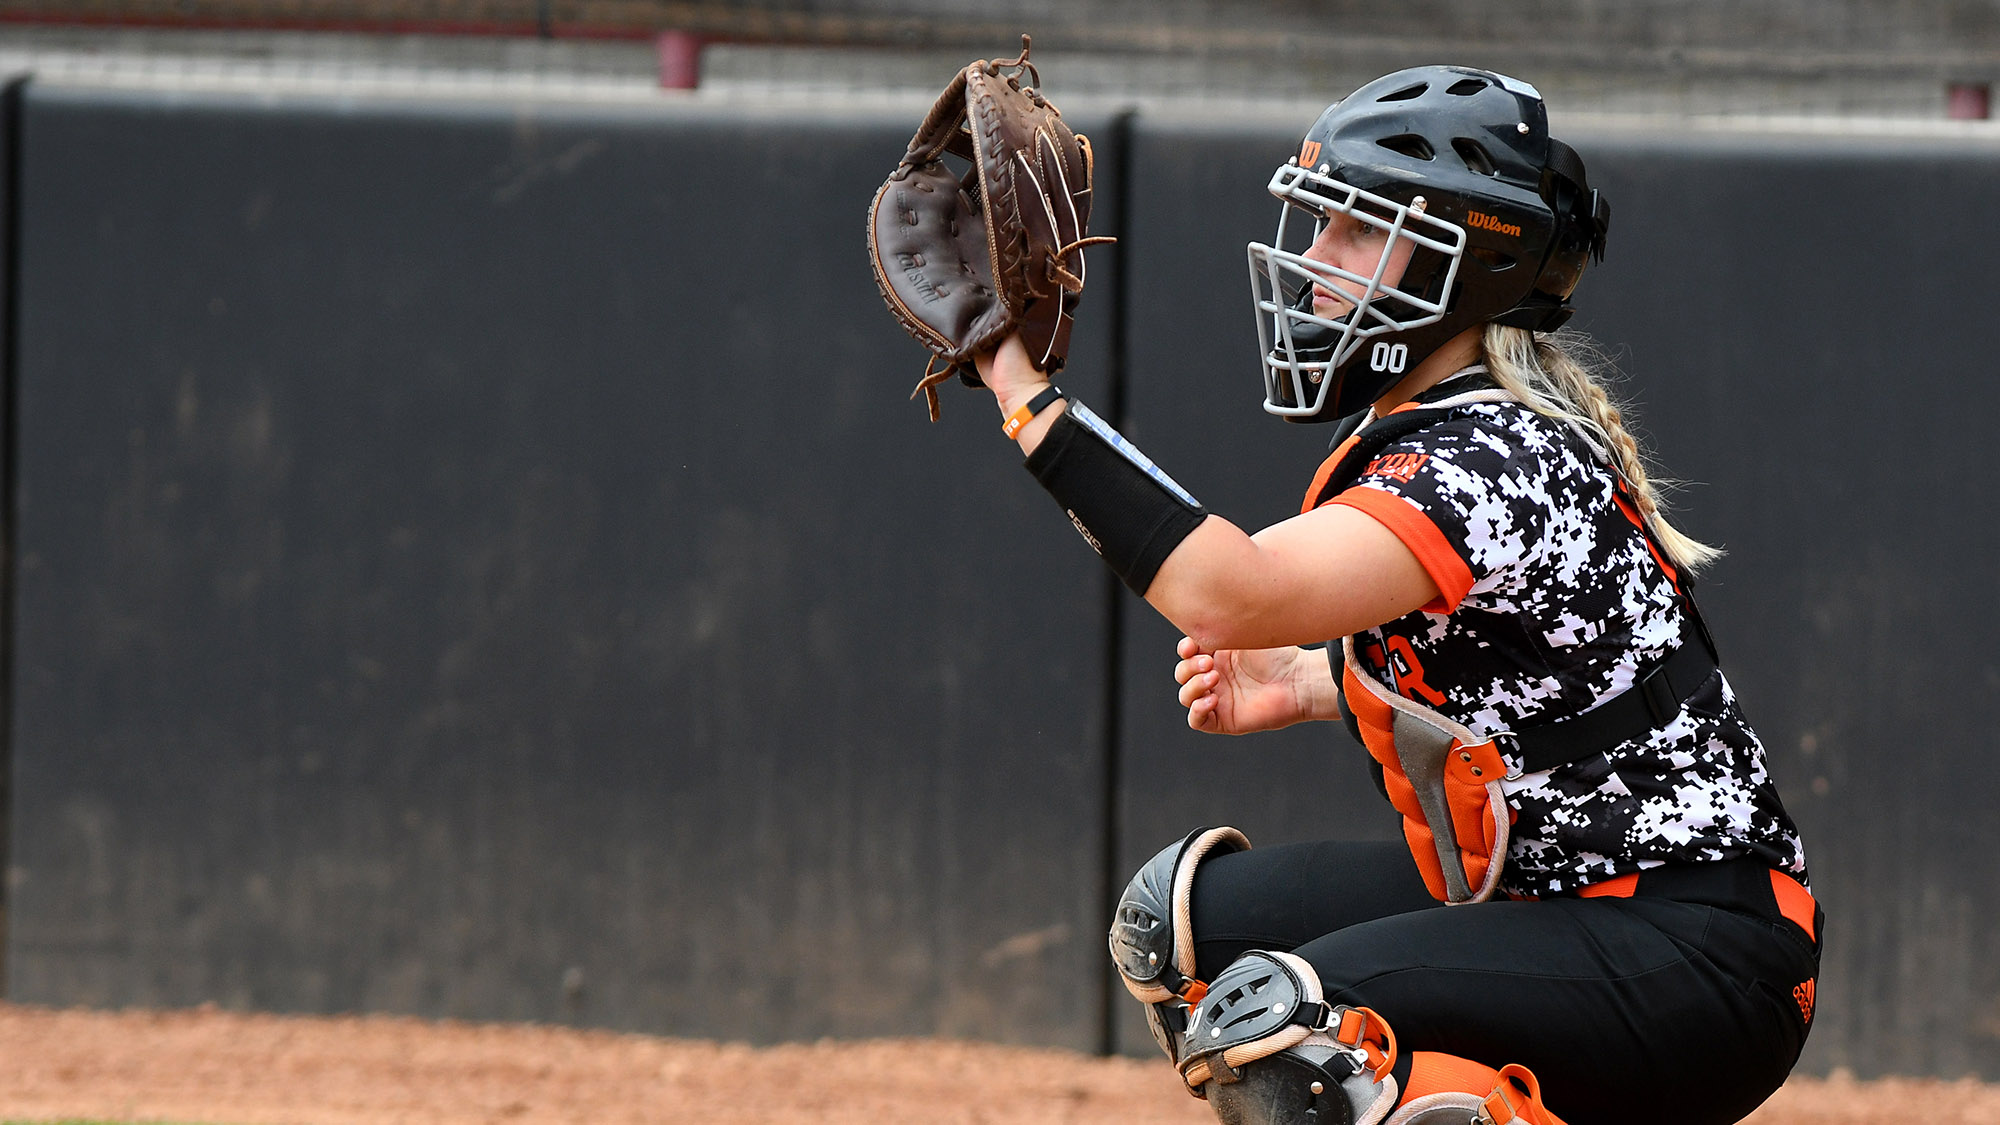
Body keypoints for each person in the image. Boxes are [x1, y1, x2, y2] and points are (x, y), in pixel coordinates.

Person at [967, 66, 1818, 1125]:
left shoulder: (1490, 451)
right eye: (1318, 225)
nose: (1314, 263)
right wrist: (1318, 681)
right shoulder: (1463, 422)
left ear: (1469, 261)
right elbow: (1537, 680)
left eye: (1354, 231)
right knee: (1185, 928)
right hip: (1557, 899)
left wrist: (1021, 395)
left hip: (1701, 955)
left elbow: (1227, 590)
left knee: (1281, 1029)